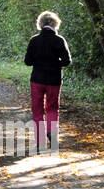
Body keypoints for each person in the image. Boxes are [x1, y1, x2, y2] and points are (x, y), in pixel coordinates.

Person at [23, 10, 71, 151]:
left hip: (37, 80)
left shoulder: (34, 40)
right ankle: (52, 133)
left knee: (37, 109)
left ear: (40, 24)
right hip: (54, 80)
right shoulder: (59, 40)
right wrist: (55, 63)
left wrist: (39, 60)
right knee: (52, 108)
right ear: (55, 24)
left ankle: (40, 142)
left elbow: (27, 62)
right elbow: (67, 61)